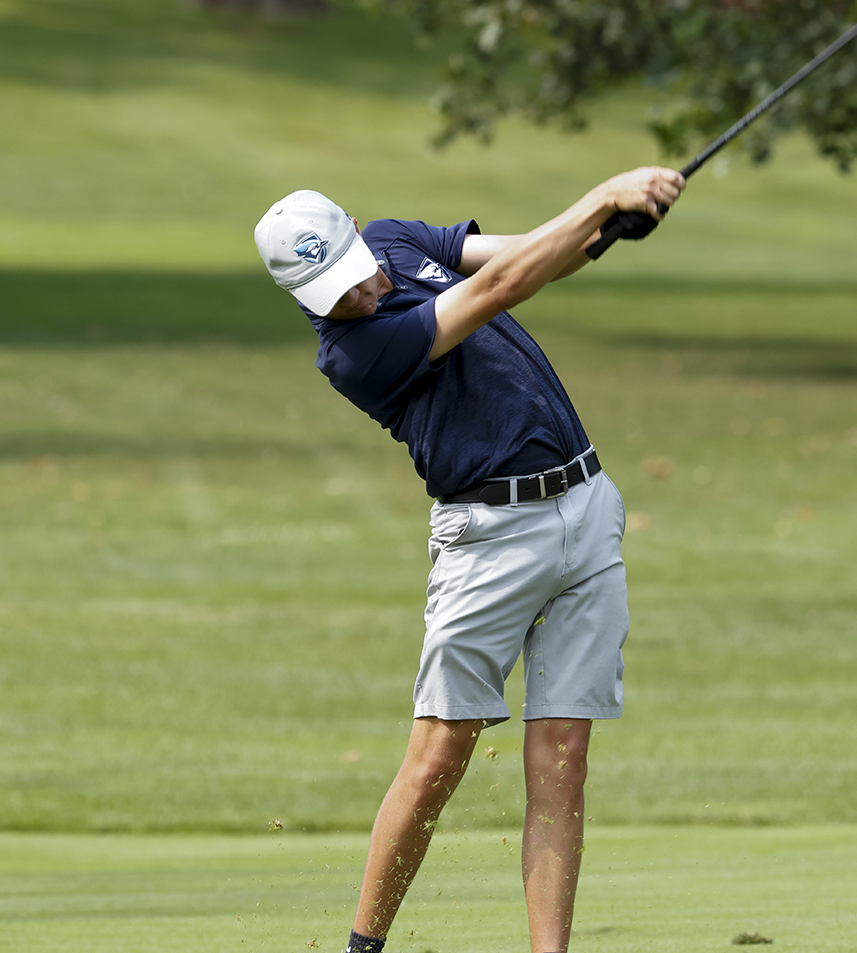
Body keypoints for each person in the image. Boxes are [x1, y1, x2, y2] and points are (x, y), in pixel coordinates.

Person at [252, 167, 686, 953]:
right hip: (489, 541)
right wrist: (602, 195)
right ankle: (363, 947)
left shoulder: (396, 241)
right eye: (331, 294)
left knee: (564, 756)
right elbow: (502, 289)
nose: (357, 297)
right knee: (439, 753)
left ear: (355, 234)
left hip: (585, 508)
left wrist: (603, 231)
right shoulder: (356, 352)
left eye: (352, 276)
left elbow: (526, 254)